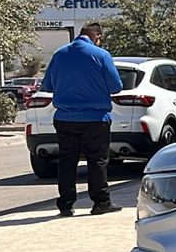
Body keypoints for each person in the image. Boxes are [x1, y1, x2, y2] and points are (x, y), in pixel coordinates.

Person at [40, 22, 124, 216]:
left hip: (65, 118)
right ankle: (100, 202)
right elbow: (115, 87)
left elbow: (48, 86)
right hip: (95, 118)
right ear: (97, 37)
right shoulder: (101, 55)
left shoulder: (59, 54)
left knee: (67, 160)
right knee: (97, 160)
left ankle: (66, 204)